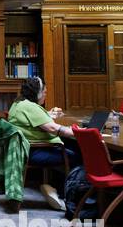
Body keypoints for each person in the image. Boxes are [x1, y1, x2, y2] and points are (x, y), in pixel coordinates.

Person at [6, 76, 81, 212]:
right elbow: (54, 129)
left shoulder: (19, 103)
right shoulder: (30, 107)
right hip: (34, 152)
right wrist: (80, 132)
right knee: (77, 155)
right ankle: (67, 196)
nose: (45, 95)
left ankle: (55, 188)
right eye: (45, 92)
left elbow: (33, 119)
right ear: (38, 93)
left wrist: (47, 114)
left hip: (23, 150)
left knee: (70, 148)